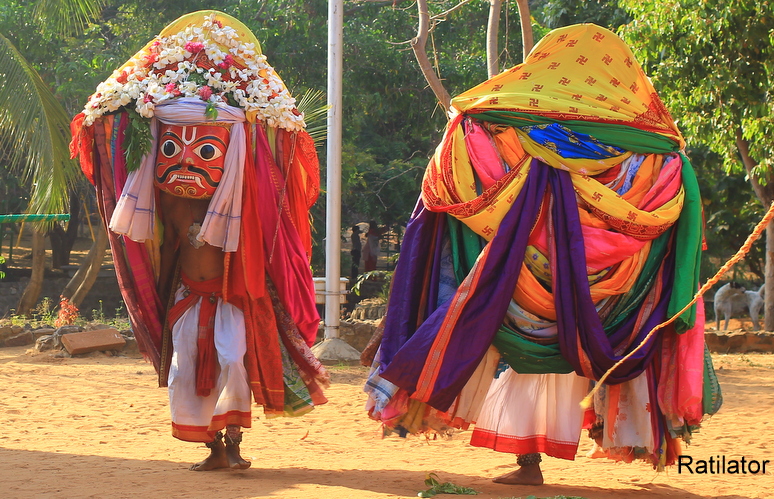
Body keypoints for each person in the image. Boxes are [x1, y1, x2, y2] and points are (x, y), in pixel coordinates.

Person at [364, 24, 721, 486]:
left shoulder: (499, 130)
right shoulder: (657, 153)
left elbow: (451, 181)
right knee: (566, 358)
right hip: (619, 287)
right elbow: (673, 216)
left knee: (516, 351)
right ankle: (589, 442)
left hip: (517, 275)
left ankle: (528, 461)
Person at [70, 11, 329, 471]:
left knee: (233, 363)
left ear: (229, 153)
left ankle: (232, 444)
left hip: (233, 294)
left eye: (205, 147)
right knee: (185, 371)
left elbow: (274, 175)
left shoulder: (239, 198)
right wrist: (118, 110)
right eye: (173, 145)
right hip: (187, 295)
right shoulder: (161, 199)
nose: (185, 158)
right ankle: (213, 448)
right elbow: (113, 147)